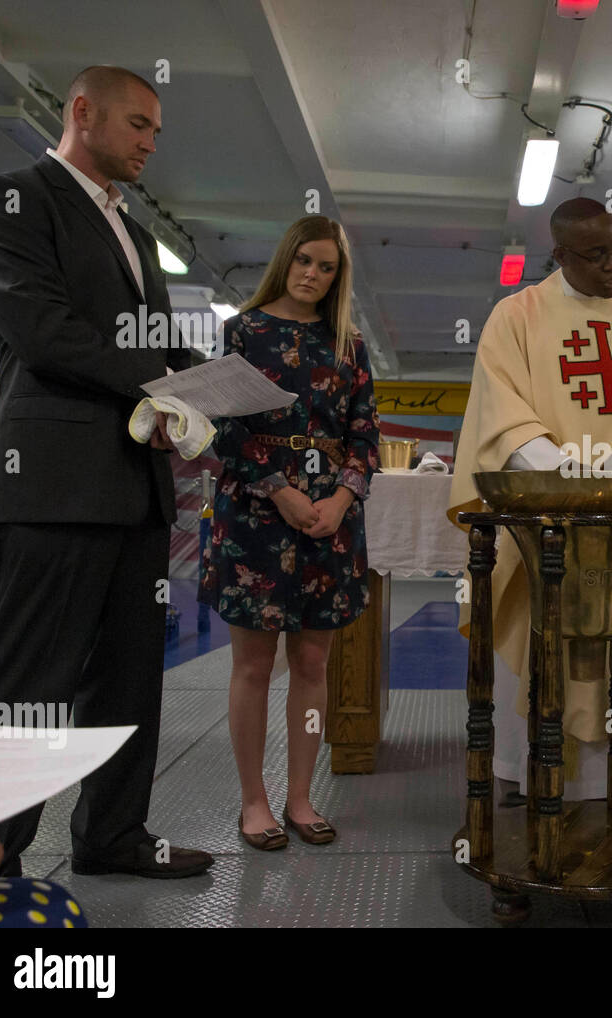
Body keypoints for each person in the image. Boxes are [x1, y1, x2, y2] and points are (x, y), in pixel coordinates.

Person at [0, 66, 212, 878]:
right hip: (53, 484)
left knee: (129, 681)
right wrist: (161, 387)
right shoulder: (11, 199)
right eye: (138, 125)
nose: (149, 143)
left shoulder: (136, 235)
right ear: (82, 112)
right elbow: (43, 331)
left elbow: (151, 341)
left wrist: (212, 382)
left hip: (136, 491)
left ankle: (112, 837)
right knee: (26, 686)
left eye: (157, 131)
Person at [448, 197, 612, 800]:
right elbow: (500, 407)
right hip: (546, 518)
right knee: (544, 647)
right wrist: (566, 473)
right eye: (595, 255)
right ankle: (535, 781)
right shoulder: (517, 314)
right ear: (558, 255)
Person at [199, 215, 380, 849]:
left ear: (338, 275)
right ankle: (254, 801)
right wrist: (279, 488)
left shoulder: (348, 343)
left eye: (327, 267)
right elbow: (226, 427)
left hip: (329, 519)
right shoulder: (243, 332)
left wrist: (339, 498)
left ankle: (300, 797)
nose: (313, 274)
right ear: (286, 259)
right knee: (252, 663)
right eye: (304, 260)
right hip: (254, 512)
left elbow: (365, 433)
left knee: (311, 660)